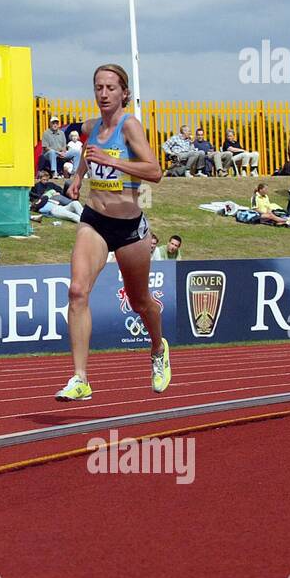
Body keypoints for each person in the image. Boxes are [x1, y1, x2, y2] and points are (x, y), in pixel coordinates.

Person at [56, 63, 169, 403]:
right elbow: (89, 155)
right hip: (95, 220)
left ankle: (157, 347)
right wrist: (78, 176)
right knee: (77, 291)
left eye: (110, 88)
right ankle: (80, 378)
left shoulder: (129, 125)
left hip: (130, 228)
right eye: (98, 88)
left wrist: (115, 161)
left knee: (139, 302)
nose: (103, 94)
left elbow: (155, 171)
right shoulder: (91, 127)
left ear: (124, 93)